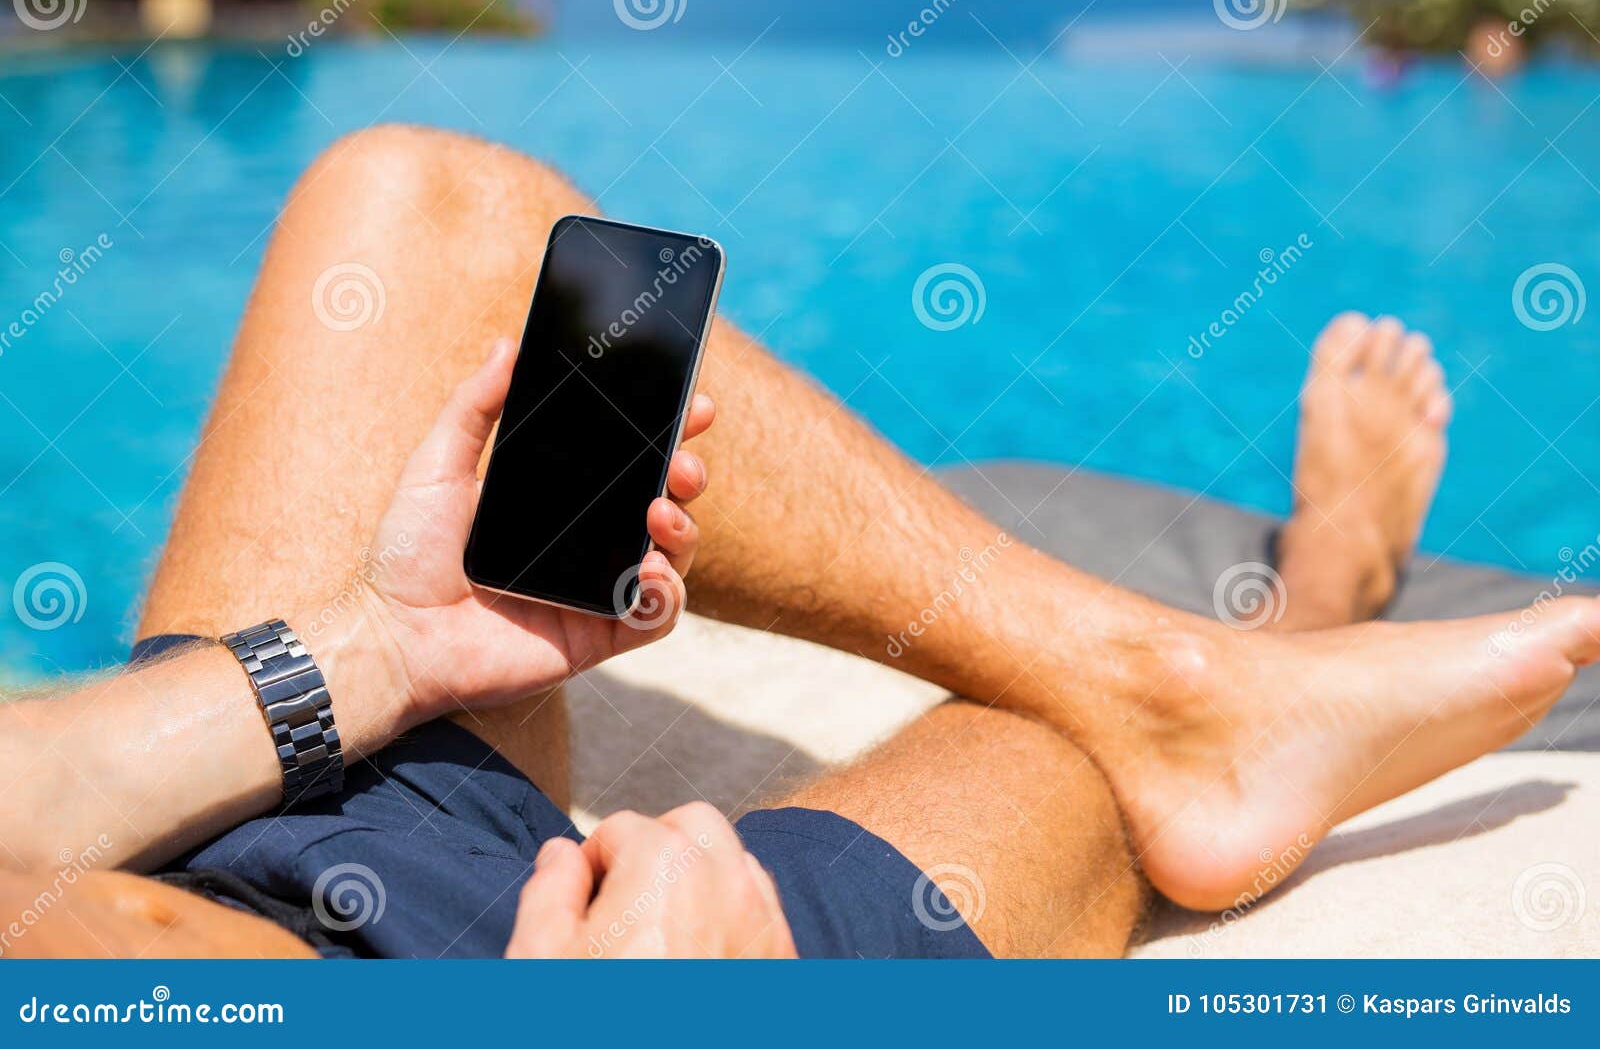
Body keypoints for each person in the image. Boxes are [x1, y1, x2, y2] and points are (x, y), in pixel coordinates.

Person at [2, 126, 1595, 960]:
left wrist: (363, 650)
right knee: (1058, 761)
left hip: (183, 821)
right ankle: (1293, 625)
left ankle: (1184, 685)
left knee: (421, 212)